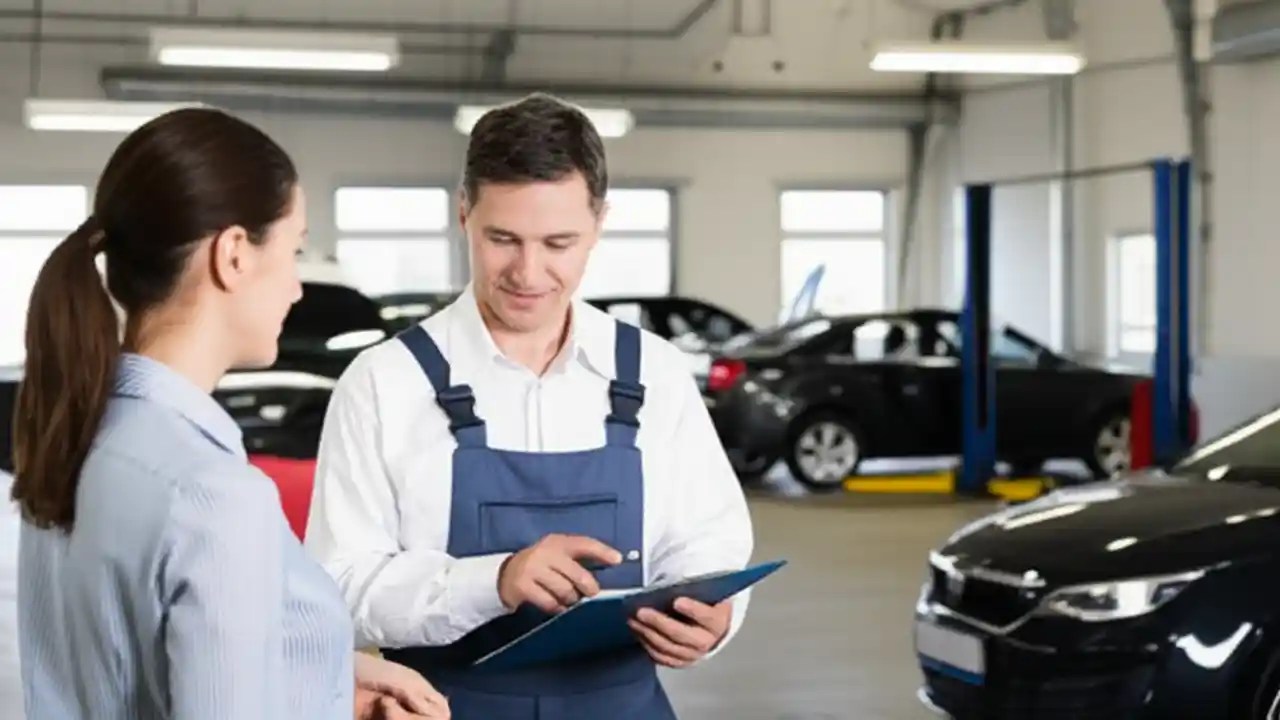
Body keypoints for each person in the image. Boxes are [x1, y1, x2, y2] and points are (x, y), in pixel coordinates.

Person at [304, 92, 755, 719]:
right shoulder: (385, 383)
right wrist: (494, 581)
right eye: (503, 239)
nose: (528, 271)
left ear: (599, 223)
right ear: (464, 213)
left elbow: (709, 542)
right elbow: (338, 590)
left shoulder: (657, 374)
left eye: (559, 243)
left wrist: (713, 617)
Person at [11, 107, 449, 720]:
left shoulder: (74, 446)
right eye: (294, 250)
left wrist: (326, 680)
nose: (297, 288)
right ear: (234, 253)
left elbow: (133, 670)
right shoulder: (214, 495)